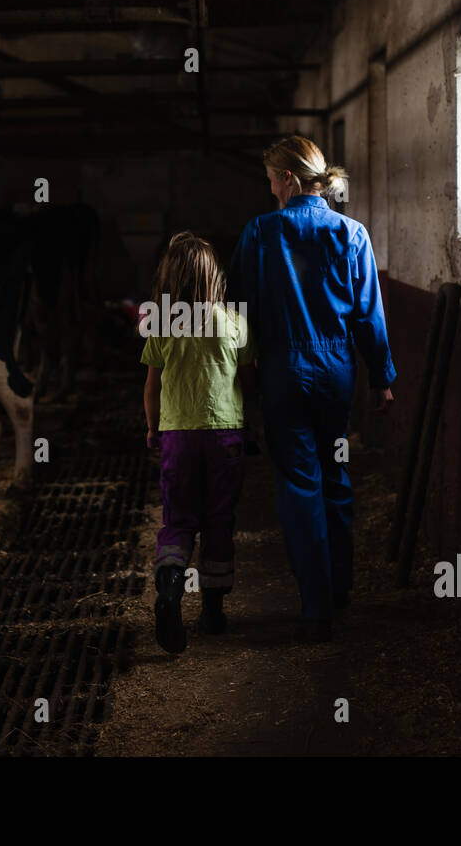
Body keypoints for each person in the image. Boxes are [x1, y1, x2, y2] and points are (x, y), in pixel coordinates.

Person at [228, 135, 396, 642]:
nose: (270, 191)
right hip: (337, 372)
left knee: (300, 484)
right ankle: (340, 587)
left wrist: (240, 368)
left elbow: (238, 307)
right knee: (337, 474)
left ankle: (317, 607)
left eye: (271, 181)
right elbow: (369, 312)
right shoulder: (352, 234)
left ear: (286, 179)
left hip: (284, 371)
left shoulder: (261, 232)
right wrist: (383, 378)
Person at [141, 232, 256, 654]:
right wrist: (251, 426)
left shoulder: (160, 322)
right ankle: (212, 611)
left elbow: (152, 387)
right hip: (225, 435)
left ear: (169, 278)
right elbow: (246, 380)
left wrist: (154, 428)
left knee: (179, 520)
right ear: (215, 278)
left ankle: (170, 592)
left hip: (177, 437)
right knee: (218, 520)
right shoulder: (236, 321)